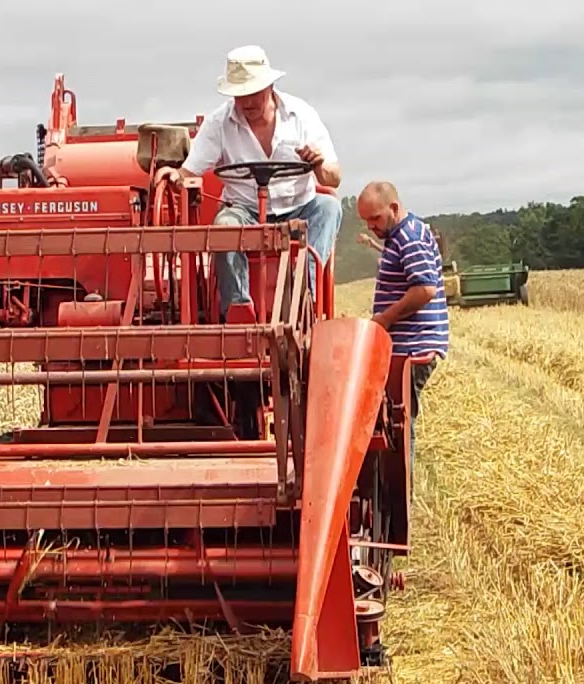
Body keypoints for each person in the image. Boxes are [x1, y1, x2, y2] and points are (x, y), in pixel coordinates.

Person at [158, 45, 343, 320]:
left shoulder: (301, 115)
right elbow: (189, 171)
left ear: (269, 86)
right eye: (239, 95)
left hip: (298, 207)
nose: (246, 103)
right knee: (224, 226)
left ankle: (306, 301)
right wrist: (173, 175)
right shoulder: (219, 122)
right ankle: (238, 309)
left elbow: (333, 177)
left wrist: (317, 164)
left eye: (252, 93)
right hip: (245, 210)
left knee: (328, 208)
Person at [356, 180, 449, 545]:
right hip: (408, 346)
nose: (371, 226)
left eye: (375, 218)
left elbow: (425, 288)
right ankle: (396, 500)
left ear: (393, 208)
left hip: (414, 349)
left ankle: (398, 505)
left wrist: (384, 320)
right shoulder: (402, 235)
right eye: (366, 221)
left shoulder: (407, 236)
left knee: (398, 424)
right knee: (397, 422)